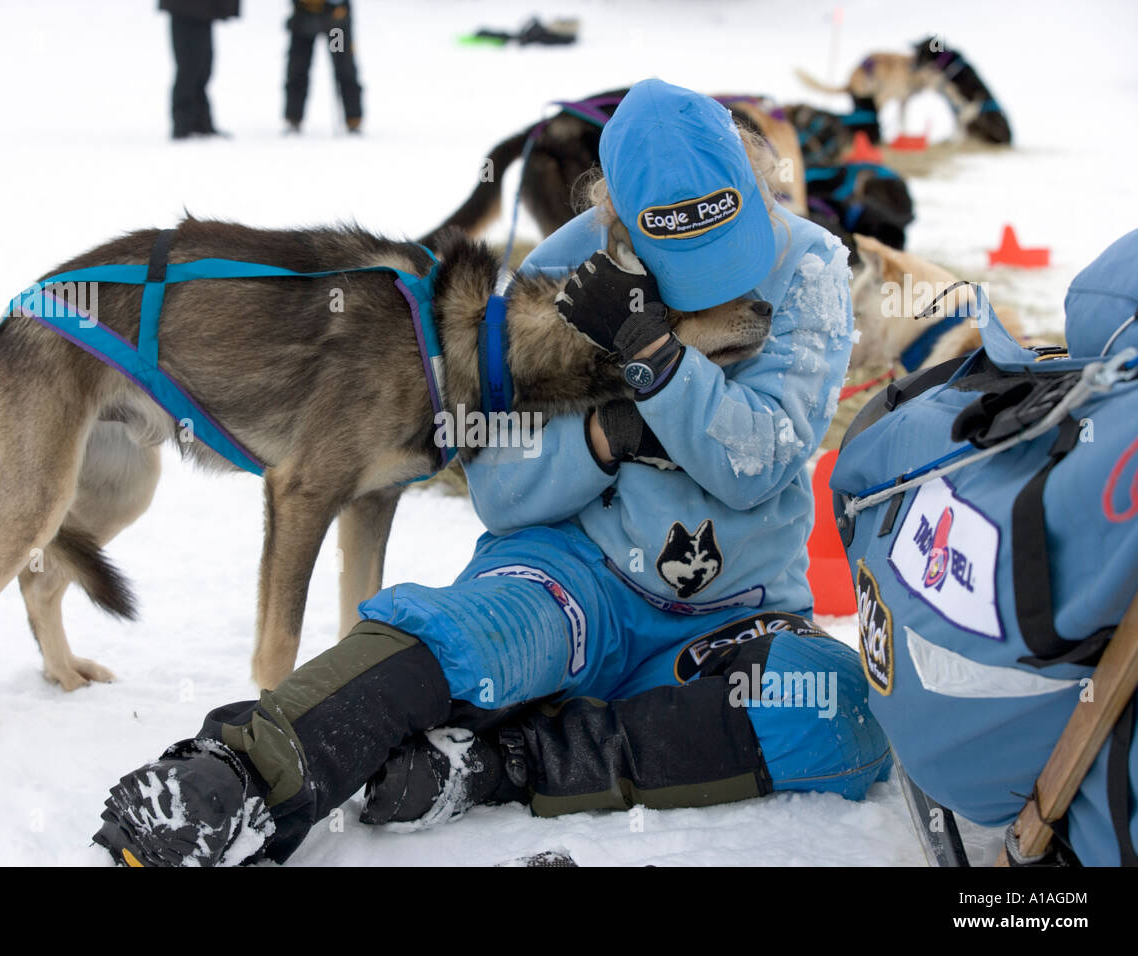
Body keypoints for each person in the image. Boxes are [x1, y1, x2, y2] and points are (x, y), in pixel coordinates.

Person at [92, 80, 891, 867]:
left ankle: (492, 764)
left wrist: (654, 355)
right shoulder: (566, 268)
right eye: (688, 270)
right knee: (463, 630)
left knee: (841, 710)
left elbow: (756, 464)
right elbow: (500, 488)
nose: (728, 292)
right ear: (621, 229)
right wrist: (605, 440)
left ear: (755, 188)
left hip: (729, 613)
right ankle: (236, 774)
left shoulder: (810, 269)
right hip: (579, 578)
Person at [161, 0, 240, 140]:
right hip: (187, 9)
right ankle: (183, 125)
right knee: (189, 69)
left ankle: (200, 123)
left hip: (202, 11)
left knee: (203, 69)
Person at [284, 0, 363, 134]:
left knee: (343, 67)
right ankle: (293, 118)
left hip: (335, 20)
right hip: (304, 16)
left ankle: (353, 119)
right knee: (298, 67)